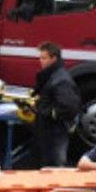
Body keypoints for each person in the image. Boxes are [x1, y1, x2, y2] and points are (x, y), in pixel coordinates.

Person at [29, 41, 80, 170]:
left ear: (54, 58)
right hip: (48, 128)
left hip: (55, 131)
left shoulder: (61, 80)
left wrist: (44, 110)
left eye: (44, 58)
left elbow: (68, 108)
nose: (40, 61)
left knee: (55, 166)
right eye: (40, 58)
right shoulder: (53, 75)